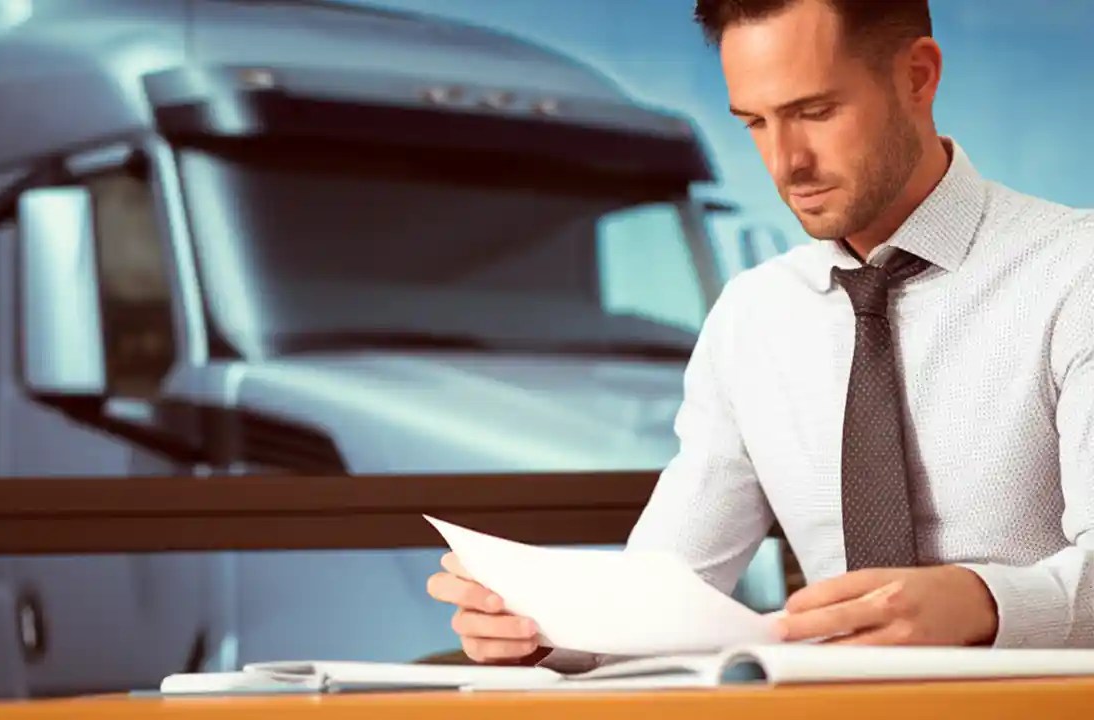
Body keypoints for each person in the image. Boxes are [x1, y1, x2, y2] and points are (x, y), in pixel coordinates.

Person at [426, 0, 1094, 668]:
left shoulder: (1075, 274)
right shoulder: (752, 317)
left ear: (917, 76)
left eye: (816, 112)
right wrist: (539, 630)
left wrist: (985, 605)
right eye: (755, 122)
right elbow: (666, 590)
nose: (785, 162)